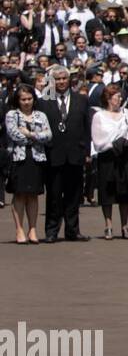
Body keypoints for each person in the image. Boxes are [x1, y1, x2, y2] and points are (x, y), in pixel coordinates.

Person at [38, 66, 93, 242]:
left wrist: (87, 151)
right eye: (58, 79)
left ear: (70, 80)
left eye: (64, 78)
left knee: (74, 195)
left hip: (75, 153)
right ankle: (51, 231)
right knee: (54, 195)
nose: (61, 82)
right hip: (54, 153)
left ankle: (72, 230)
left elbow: (86, 128)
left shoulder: (81, 100)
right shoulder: (45, 101)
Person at [90, 84, 128, 239]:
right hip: (107, 157)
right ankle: (108, 226)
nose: (120, 99)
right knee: (107, 192)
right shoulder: (99, 116)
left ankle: (124, 226)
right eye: (117, 96)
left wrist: (124, 141)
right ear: (108, 98)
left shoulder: (126, 113)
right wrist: (113, 143)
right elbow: (98, 141)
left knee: (125, 193)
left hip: (124, 155)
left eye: (120, 96)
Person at [5, 83, 52, 245]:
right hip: (19, 158)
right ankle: (19, 229)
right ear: (17, 100)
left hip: (37, 158)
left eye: (29, 98)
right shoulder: (12, 114)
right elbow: (14, 134)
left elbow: (48, 135)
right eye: (23, 99)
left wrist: (30, 134)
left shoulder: (41, 115)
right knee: (19, 194)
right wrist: (35, 137)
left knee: (33, 195)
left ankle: (32, 229)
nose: (26, 102)